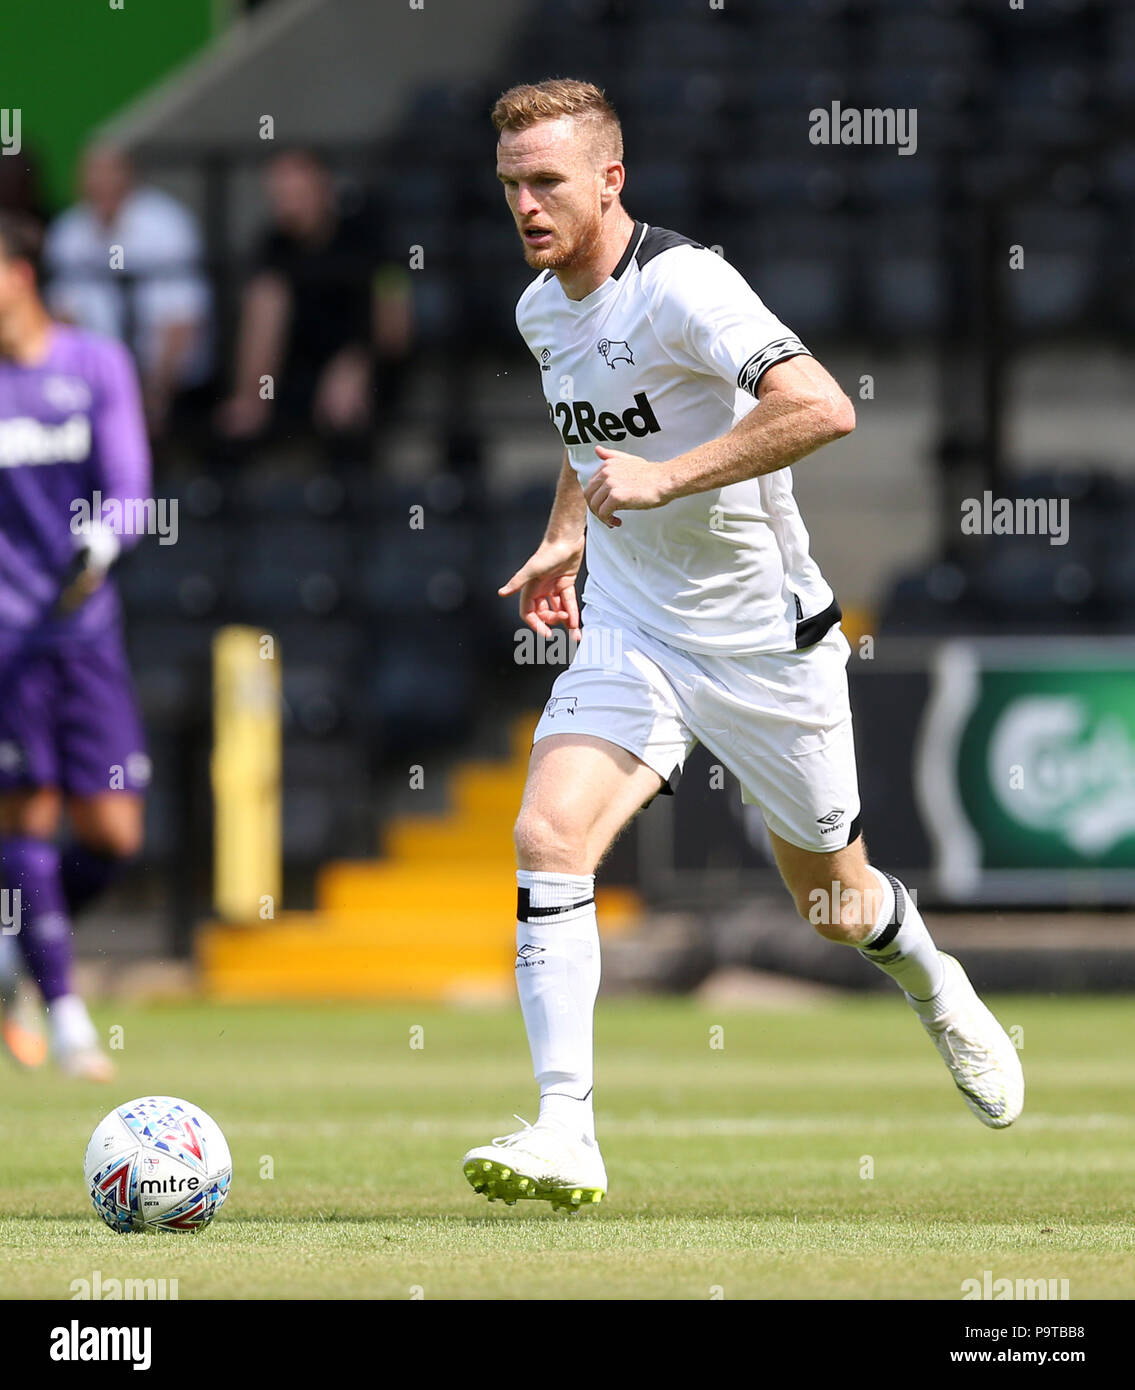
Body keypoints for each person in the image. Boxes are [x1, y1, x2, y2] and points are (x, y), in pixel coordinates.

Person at [461, 79, 1023, 1211]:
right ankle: (567, 1128)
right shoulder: (541, 310)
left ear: (610, 179)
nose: (526, 204)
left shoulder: (683, 285)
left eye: (547, 182)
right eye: (512, 184)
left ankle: (934, 982)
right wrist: (566, 537)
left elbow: (823, 407)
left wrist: (664, 478)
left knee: (836, 905)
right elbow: (591, 432)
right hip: (631, 631)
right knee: (547, 829)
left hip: (766, 646)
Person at [0, 211, 151, 1081]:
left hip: (85, 632)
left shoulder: (94, 362)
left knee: (114, 833)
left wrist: (104, 539)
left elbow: (131, 484)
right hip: (6, 641)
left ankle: (17, 949)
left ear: (21, 276)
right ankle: (65, 1017)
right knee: (28, 812)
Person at [216, 148, 410, 445]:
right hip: (297, 369)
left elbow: (394, 323)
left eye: (297, 194)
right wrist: (252, 394)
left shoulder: (365, 236)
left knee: (345, 412)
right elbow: (264, 315)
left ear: (323, 189)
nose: (288, 206)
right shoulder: (274, 246)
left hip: (368, 365)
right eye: (279, 197)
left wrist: (358, 361)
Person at [43, 143, 212, 438]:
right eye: (93, 174)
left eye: (111, 172)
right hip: (93, 387)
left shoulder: (168, 225)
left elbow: (183, 323)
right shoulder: (67, 232)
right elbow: (64, 323)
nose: (102, 183)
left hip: (171, 384)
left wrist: (155, 394)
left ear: (131, 176)